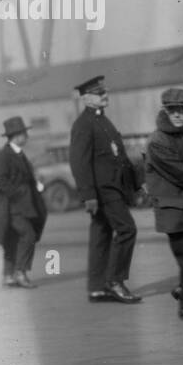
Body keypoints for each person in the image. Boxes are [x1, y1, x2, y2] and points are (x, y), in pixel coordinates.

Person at [69, 75, 144, 304]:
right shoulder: (83, 124)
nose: (105, 95)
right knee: (127, 229)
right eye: (99, 93)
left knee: (101, 234)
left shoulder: (103, 120)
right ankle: (115, 281)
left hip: (112, 187)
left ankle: (97, 287)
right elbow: (79, 163)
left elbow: (118, 156)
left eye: (104, 92)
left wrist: (134, 184)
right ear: (86, 99)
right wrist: (88, 195)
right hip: (103, 191)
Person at [145, 88, 183, 320]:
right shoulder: (157, 141)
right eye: (173, 110)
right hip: (175, 212)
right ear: (165, 111)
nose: (178, 115)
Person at [0, 115, 48, 290]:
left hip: (22, 205)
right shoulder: (4, 155)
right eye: (23, 134)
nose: (26, 137)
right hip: (11, 206)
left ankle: (8, 276)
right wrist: (18, 193)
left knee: (12, 238)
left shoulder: (18, 154)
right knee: (28, 235)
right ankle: (20, 273)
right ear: (15, 136)